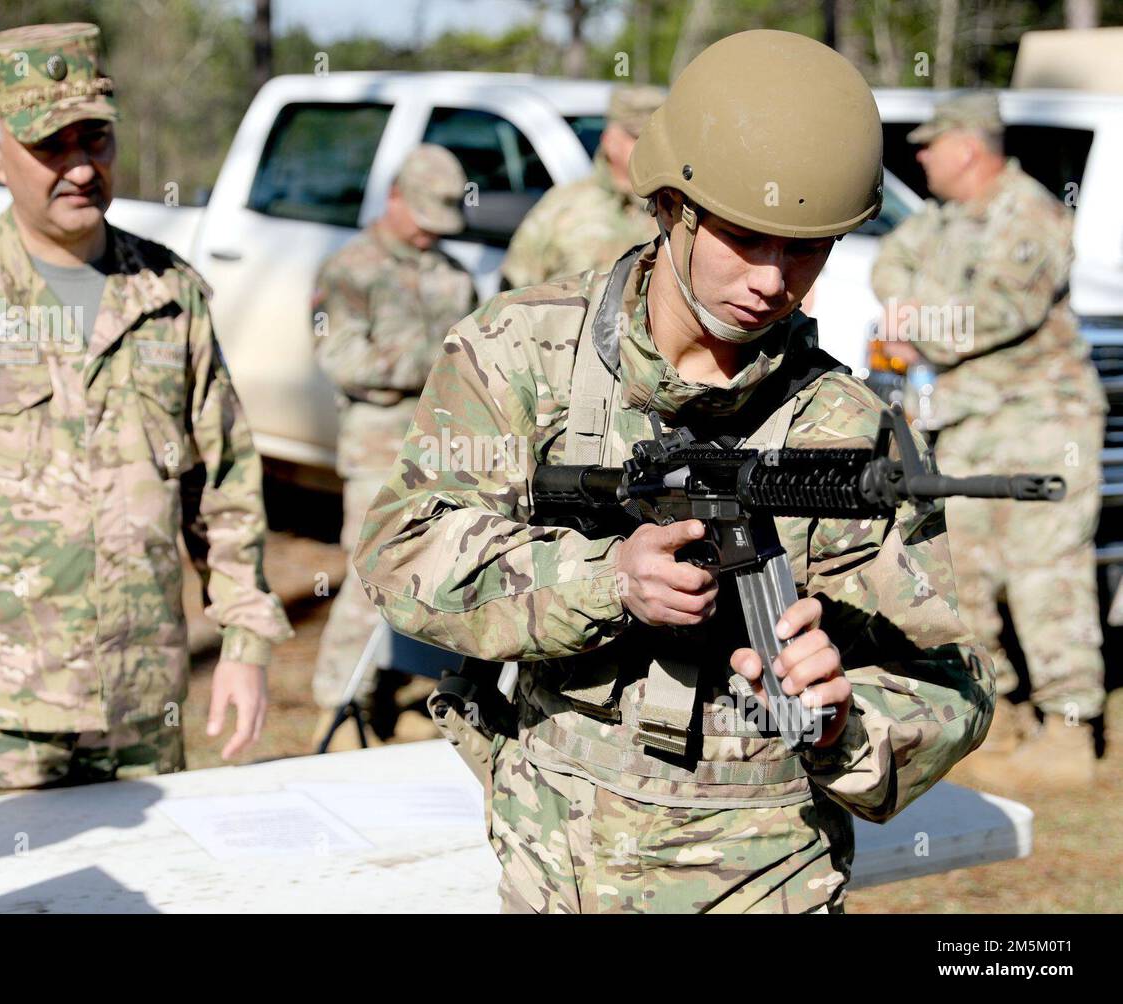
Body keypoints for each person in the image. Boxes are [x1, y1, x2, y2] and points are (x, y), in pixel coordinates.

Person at [354, 30, 994, 913]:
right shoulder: (523, 352)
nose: (773, 281)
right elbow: (399, 553)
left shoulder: (850, 428)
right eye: (745, 236)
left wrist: (845, 715)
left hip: (770, 880)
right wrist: (602, 580)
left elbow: (950, 682)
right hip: (558, 864)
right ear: (669, 204)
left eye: (807, 249)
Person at [0, 22, 292, 807]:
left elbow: (223, 486)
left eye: (96, 138)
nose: (82, 167)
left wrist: (246, 640)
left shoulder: (167, 295)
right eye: (51, 145)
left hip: (140, 711)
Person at [871, 92, 1105, 787]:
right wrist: (906, 304)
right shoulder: (941, 219)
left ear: (967, 148)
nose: (919, 157)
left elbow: (1004, 309)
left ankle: (1067, 732)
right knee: (961, 571)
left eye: (929, 145)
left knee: (1045, 575)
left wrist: (918, 324)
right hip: (967, 422)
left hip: (1040, 423)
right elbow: (889, 266)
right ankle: (996, 718)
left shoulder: (1030, 213)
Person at [310, 144, 477, 747]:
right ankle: (338, 708)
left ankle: (405, 692)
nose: (433, 235)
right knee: (364, 584)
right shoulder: (349, 269)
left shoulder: (454, 275)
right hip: (376, 455)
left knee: (437, 572)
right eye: (424, 219)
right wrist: (434, 364)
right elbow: (341, 357)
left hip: (447, 453)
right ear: (396, 198)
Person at [499, 84, 664, 289]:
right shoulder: (564, 205)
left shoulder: (676, 206)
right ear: (609, 140)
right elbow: (515, 289)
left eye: (658, 139)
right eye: (638, 138)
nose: (651, 147)